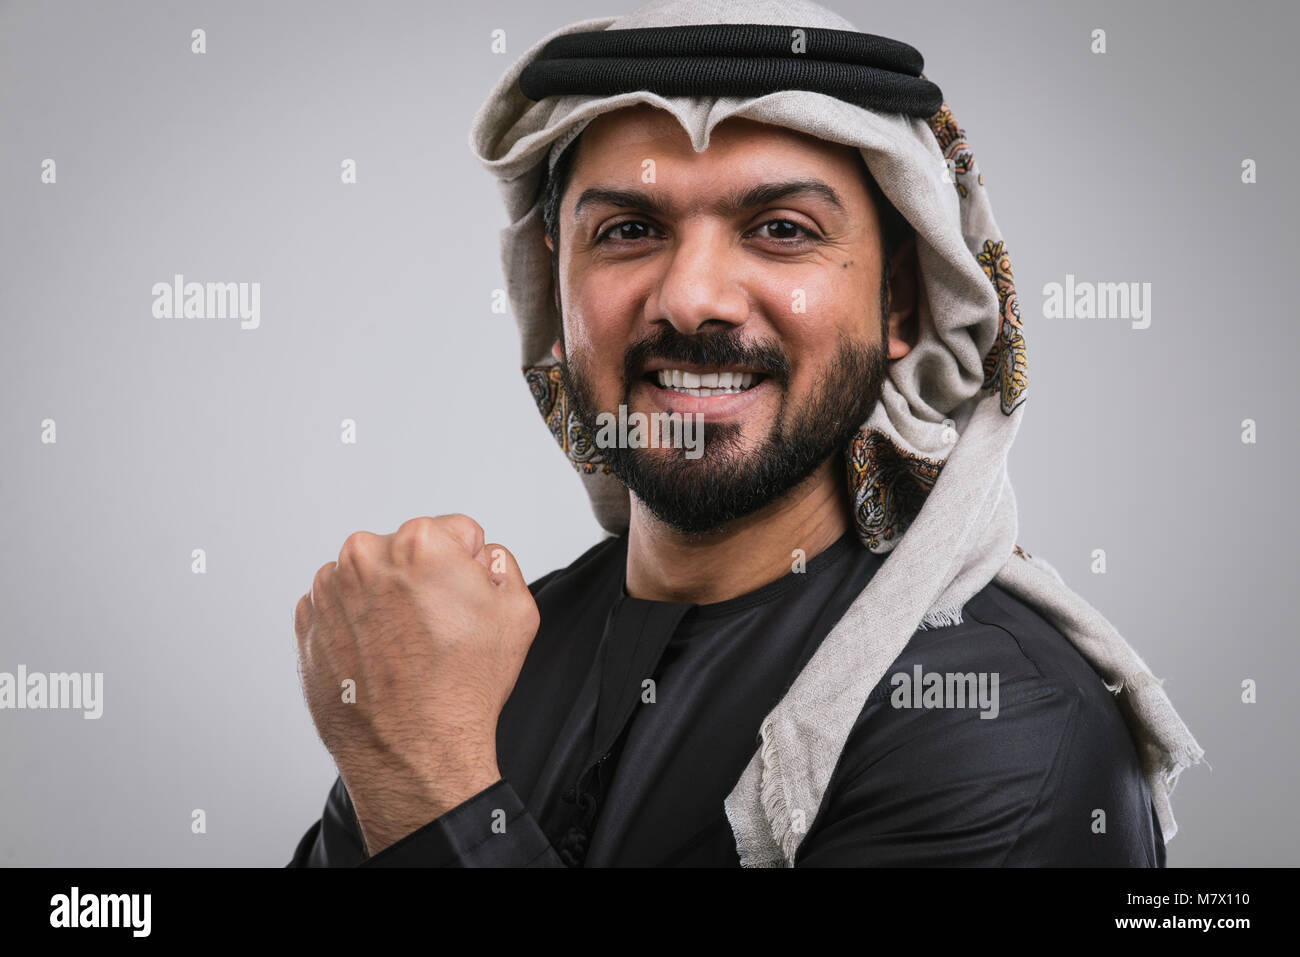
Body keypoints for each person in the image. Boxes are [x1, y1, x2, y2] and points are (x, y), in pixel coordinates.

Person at [288, 0, 1203, 867]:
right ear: (555, 291)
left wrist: (428, 781)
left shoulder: (1000, 717)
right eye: (629, 229)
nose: (691, 297)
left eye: (779, 229)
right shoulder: (473, 661)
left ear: (902, 300)